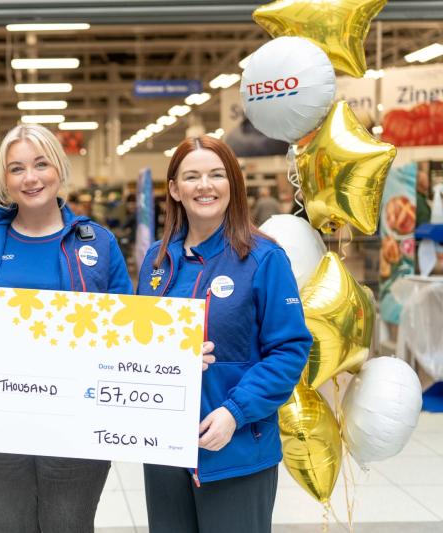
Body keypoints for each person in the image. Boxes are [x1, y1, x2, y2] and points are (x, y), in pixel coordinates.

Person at [0, 123, 132, 532]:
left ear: (59, 169)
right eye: (16, 169)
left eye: (40, 164)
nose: (30, 178)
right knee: (6, 526)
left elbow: (126, 327)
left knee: (70, 525)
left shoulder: (98, 243)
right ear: (4, 179)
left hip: (76, 423)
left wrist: (174, 356)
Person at [137, 136, 312, 533]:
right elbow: (138, 341)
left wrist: (235, 412)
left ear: (233, 183)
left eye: (217, 175)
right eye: (192, 176)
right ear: (174, 189)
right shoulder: (157, 261)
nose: (205, 186)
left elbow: (289, 349)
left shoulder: (264, 258)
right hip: (165, 450)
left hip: (235, 449)